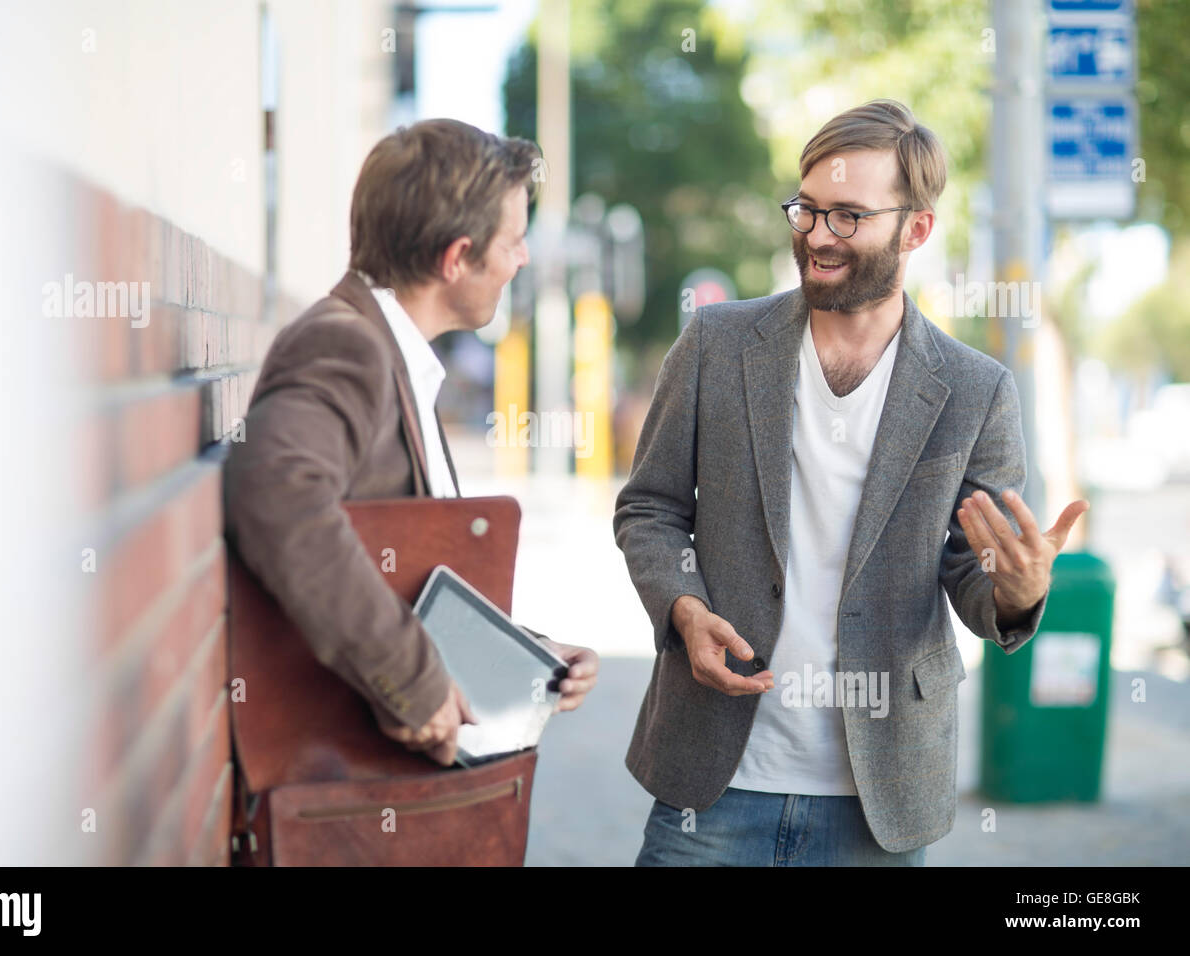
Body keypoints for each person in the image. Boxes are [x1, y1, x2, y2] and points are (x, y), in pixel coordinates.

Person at [614, 99, 1087, 866]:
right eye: (806, 210)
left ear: (917, 229)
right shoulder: (715, 344)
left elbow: (973, 569)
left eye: (849, 217)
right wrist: (684, 607)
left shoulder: (975, 390)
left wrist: (1020, 586)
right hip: (715, 783)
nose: (818, 237)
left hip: (880, 799)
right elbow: (651, 506)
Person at [224, 118, 598, 768]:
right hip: (349, 786)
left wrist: (524, 652)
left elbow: (401, 568)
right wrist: (413, 679)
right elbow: (273, 490)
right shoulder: (346, 346)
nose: (523, 258)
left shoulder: (384, 349)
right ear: (456, 259)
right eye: (513, 241)